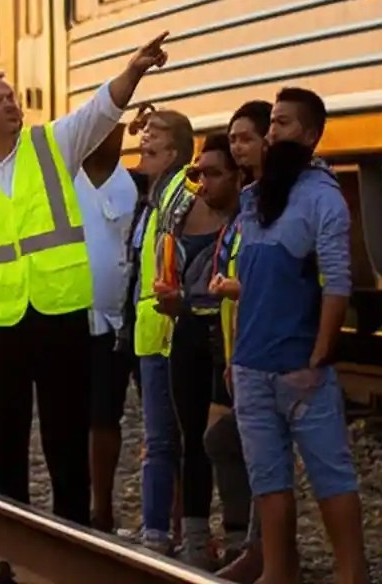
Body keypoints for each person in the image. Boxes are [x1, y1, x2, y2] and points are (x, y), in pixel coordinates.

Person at [0, 33, 170, 525]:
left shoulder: (52, 144)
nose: (11, 106)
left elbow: (100, 111)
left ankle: (72, 531)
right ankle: (7, 533)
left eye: (12, 97)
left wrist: (134, 70)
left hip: (59, 311)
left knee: (66, 434)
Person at [219, 87, 368, 584]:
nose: (271, 132)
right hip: (253, 365)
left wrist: (319, 355)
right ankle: (278, 575)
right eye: (272, 123)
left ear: (307, 134)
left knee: (331, 475)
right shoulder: (255, 198)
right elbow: (256, 283)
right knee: (269, 480)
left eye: (281, 123)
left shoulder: (323, 199)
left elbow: (337, 283)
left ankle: (352, 573)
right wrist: (236, 352)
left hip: (299, 368)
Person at [152, 133, 241, 570]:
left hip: (226, 336)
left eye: (215, 173)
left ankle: (240, 538)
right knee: (191, 440)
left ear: (238, 175)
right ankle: (195, 541)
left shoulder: (248, 217)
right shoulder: (181, 210)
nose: (204, 182)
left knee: (222, 440)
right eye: (199, 173)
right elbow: (162, 261)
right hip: (185, 332)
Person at [119, 108, 194, 553]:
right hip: (149, 332)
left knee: (164, 438)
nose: (144, 144)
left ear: (177, 151)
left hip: (166, 331)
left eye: (155, 140)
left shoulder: (180, 191)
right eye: (143, 138)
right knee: (161, 437)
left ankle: (160, 533)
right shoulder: (153, 195)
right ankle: (164, 528)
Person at [207, 100, 273, 583]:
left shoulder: (277, 202)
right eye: (232, 138)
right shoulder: (249, 204)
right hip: (244, 348)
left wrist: (236, 289)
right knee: (232, 442)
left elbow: (280, 279)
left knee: (259, 452)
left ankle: (260, 550)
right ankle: (252, 545)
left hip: (270, 346)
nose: (237, 146)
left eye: (244, 138)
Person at [78, 123, 140, 533]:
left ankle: (102, 508)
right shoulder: (64, 181)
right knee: (70, 417)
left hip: (122, 321)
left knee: (106, 416)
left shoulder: (137, 186)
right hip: (70, 317)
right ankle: (73, 504)